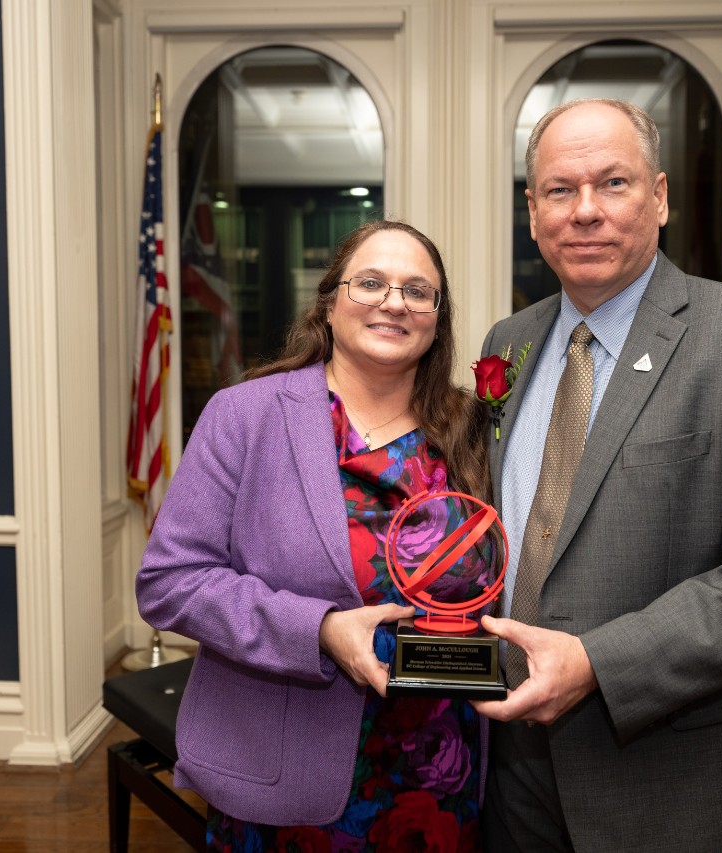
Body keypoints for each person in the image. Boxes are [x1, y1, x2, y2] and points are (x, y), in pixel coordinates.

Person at [472, 99, 722, 851]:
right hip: (512, 777)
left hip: (677, 787)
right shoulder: (507, 343)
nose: (585, 212)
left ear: (661, 196)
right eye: (559, 190)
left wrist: (595, 664)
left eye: (613, 183)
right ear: (533, 209)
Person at [137, 220, 493, 851]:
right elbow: (170, 582)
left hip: (438, 772)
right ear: (329, 304)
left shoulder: (470, 429)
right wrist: (321, 630)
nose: (393, 302)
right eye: (371, 282)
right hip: (283, 776)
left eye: (418, 290)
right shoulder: (245, 415)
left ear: (437, 319)